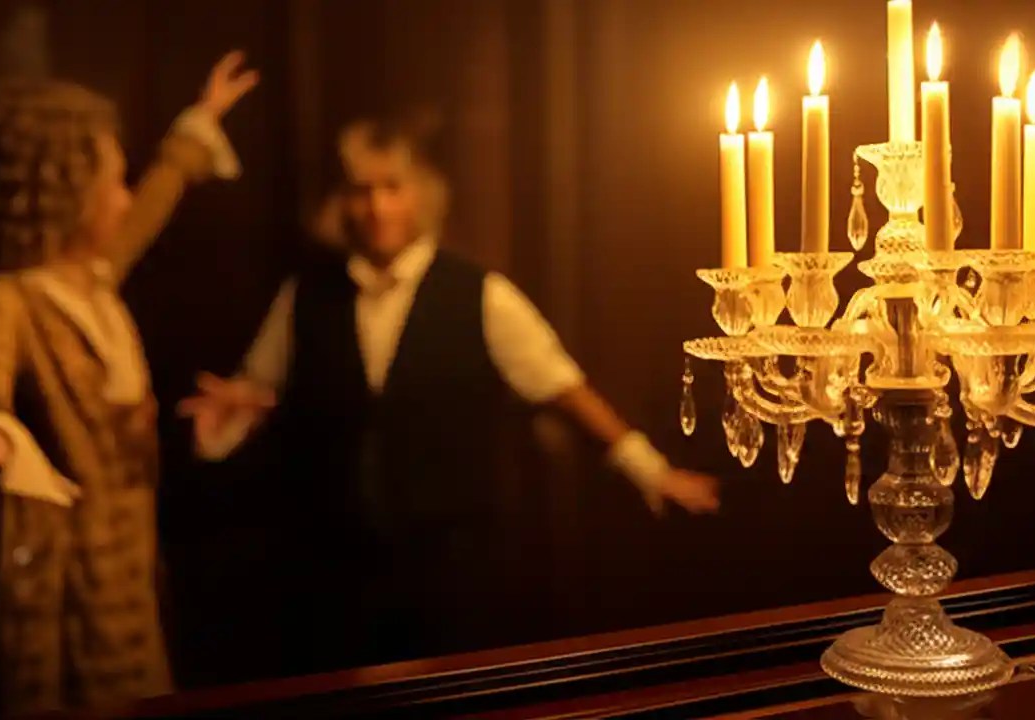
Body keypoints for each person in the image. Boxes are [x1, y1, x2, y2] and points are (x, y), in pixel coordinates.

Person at [179, 112, 720, 671]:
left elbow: (564, 389)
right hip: (333, 572)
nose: (378, 207)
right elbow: (256, 389)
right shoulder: (305, 296)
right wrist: (222, 424)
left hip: (452, 573)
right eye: (363, 191)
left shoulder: (481, 294)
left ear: (423, 196)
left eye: (393, 188)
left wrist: (653, 472)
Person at [0, 52, 257, 713]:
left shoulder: (92, 275)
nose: (126, 195)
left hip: (131, 563)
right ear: (70, 196)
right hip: (67, 583)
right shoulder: (7, 298)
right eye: (113, 181)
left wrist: (203, 120)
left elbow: (158, 196)